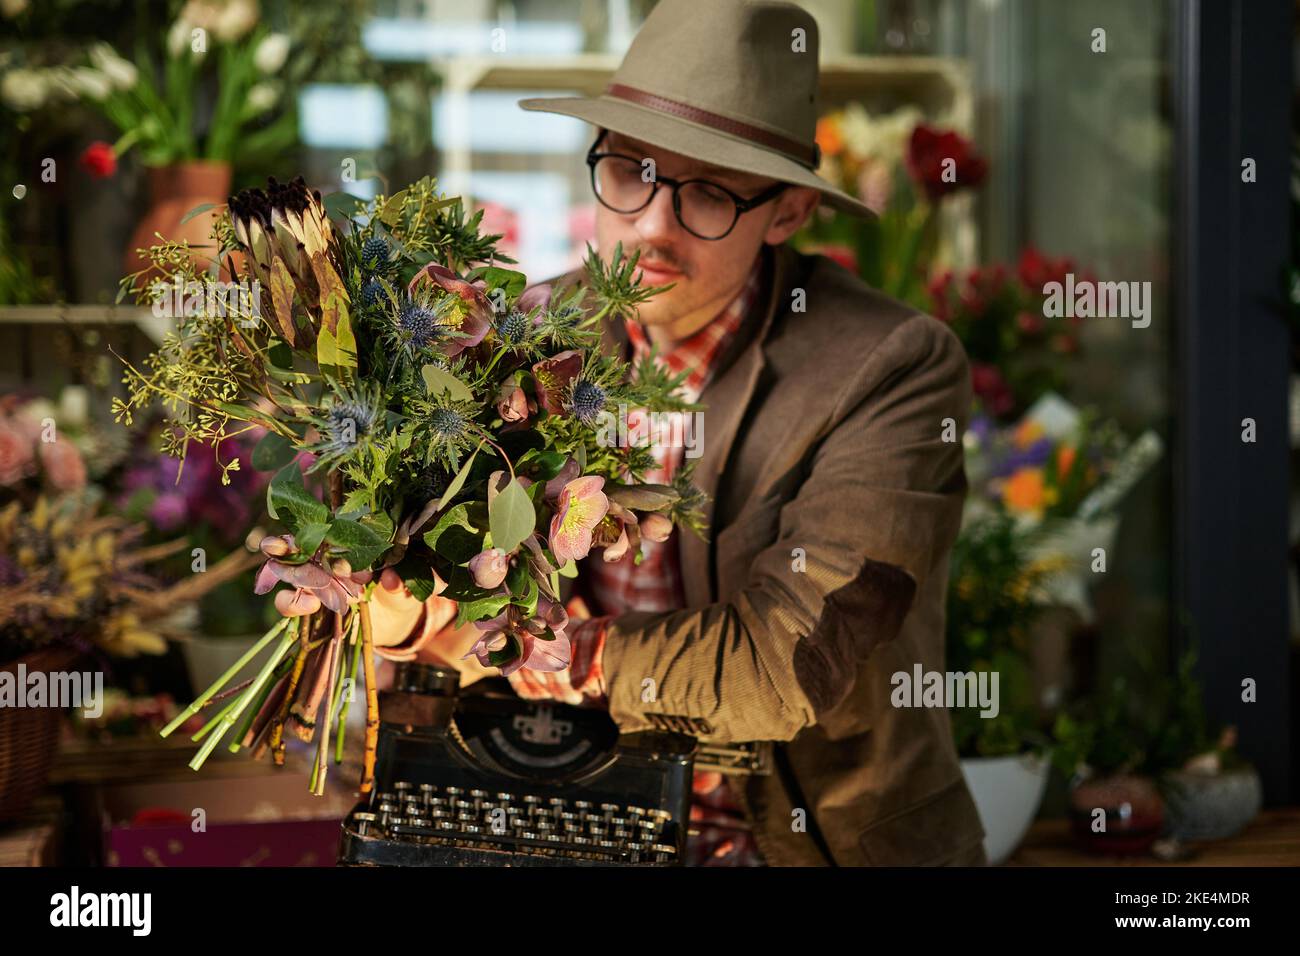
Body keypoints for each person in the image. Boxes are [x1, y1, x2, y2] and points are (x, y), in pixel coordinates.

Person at [366, 0, 986, 866]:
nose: (652, 225)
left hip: (797, 842)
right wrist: (380, 596)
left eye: (708, 193)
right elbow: (422, 588)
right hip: (564, 820)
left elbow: (788, 662)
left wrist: (563, 656)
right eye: (631, 170)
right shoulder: (523, 332)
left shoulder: (890, 364)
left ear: (791, 211)